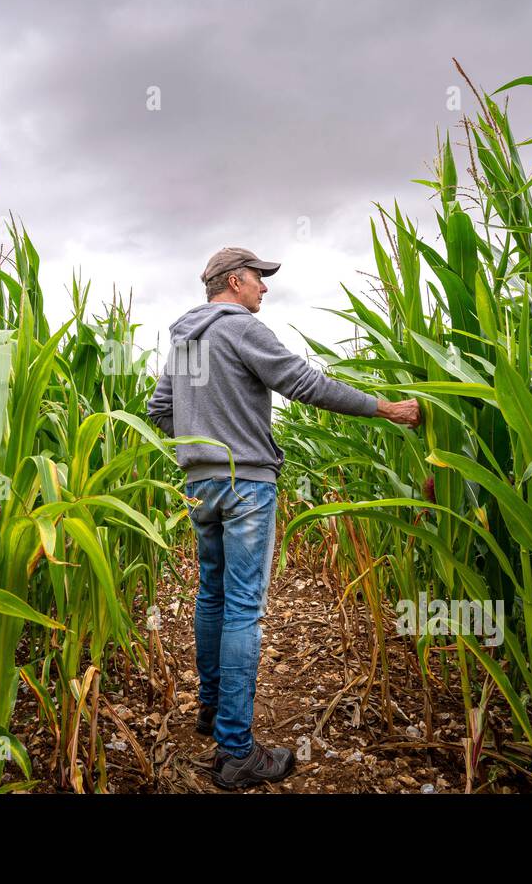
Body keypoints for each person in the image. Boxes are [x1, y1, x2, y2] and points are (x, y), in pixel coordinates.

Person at [145, 246, 421, 790]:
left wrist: (205, 426)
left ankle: (210, 709)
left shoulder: (184, 338)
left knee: (212, 596)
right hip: (246, 482)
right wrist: (386, 408)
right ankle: (236, 751)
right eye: (258, 280)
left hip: (199, 482)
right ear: (233, 281)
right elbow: (305, 384)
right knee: (244, 609)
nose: (264, 290)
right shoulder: (240, 327)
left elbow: (159, 410)